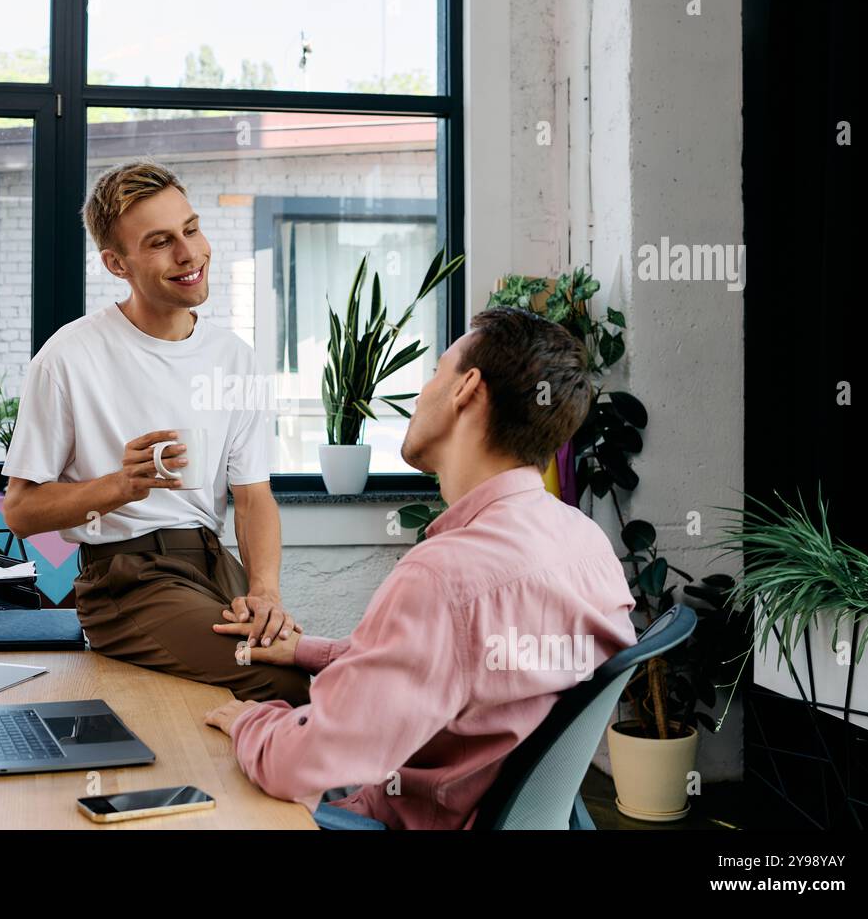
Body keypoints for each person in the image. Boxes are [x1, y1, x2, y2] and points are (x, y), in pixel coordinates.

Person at [204, 306, 638, 828]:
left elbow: (297, 766)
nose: (421, 393)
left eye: (436, 372)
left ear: (467, 389)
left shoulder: (443, 578)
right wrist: (309, 650)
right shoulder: (585, 545)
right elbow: (466, 661)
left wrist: (250, 722)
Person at [1, 159, 309, 706]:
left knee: (304, 667)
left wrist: (265, 589)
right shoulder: (68, 357)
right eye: (161, 242)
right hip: (128, 580)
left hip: (213, 567)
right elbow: (21, 512)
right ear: (116, 263)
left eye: (191, 229)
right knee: (281, 681)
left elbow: (253, 495)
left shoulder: (234, 359)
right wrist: (121, 485)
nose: (189, 254)